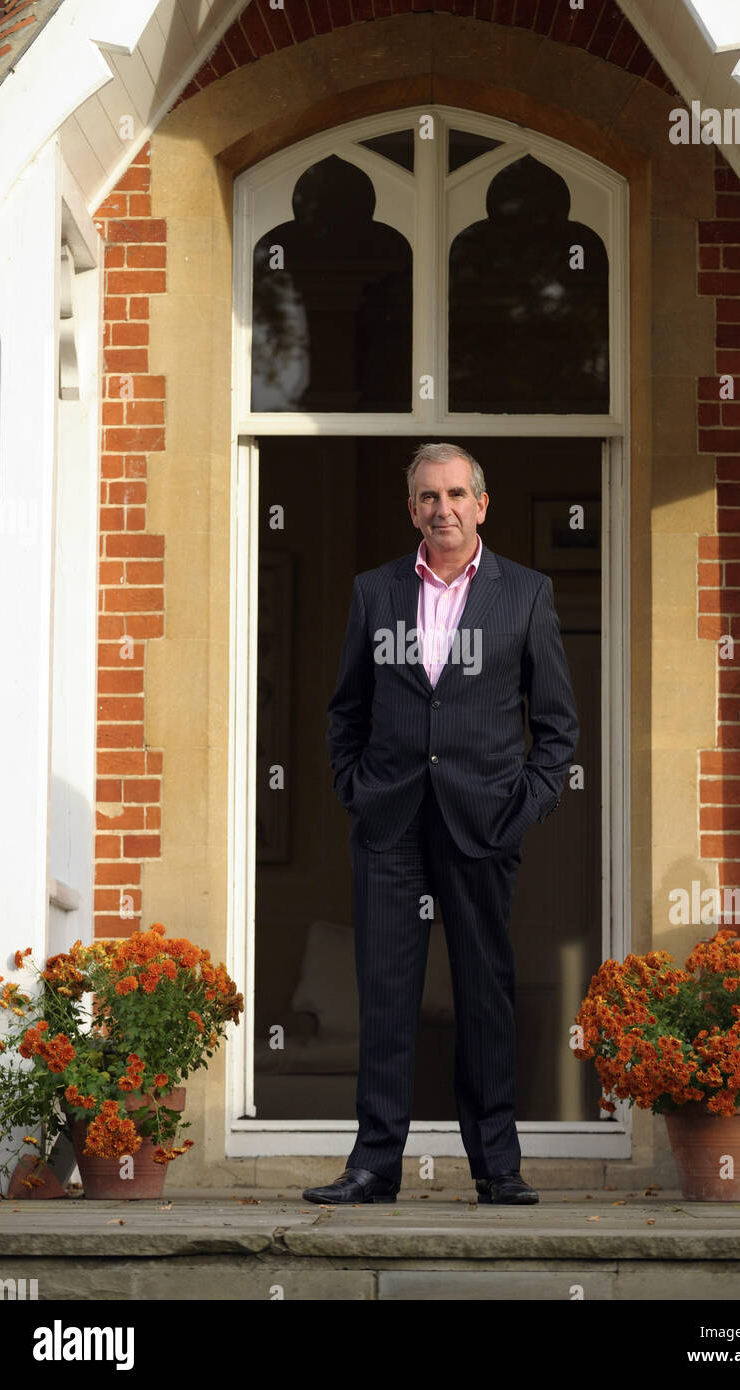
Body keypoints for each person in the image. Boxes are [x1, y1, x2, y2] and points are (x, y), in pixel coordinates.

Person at [303, 442, 579, 1206]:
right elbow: (345, 712)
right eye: (428, 496)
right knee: (384, 995)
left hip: (481, 823)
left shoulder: (524, 595)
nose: (443, 508)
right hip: (389, 822)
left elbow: (555, 724)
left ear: (480, 504)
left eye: (457, 494)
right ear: (412, 509)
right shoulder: (375, 592)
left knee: (484, 996)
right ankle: (373, 1166)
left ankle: (497, 1166)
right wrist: (354, 789)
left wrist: (524, 805)